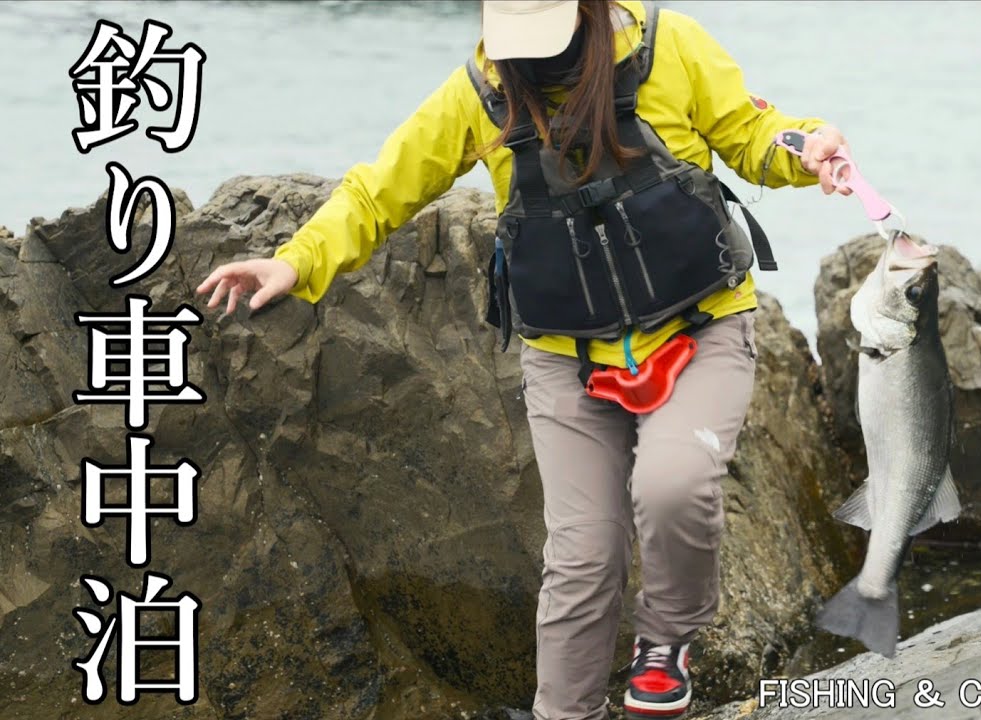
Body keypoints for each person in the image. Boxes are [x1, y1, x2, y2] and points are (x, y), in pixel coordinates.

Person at [196, 1, 854, 717]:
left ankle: (666, 642)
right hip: (567, 358)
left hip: (698, 331)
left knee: (674, 485)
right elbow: (379, 189)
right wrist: (296, 263)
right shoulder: (479, 93)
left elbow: (752, 133)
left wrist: (806, 144)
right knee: (581, 558)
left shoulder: (668, 48)